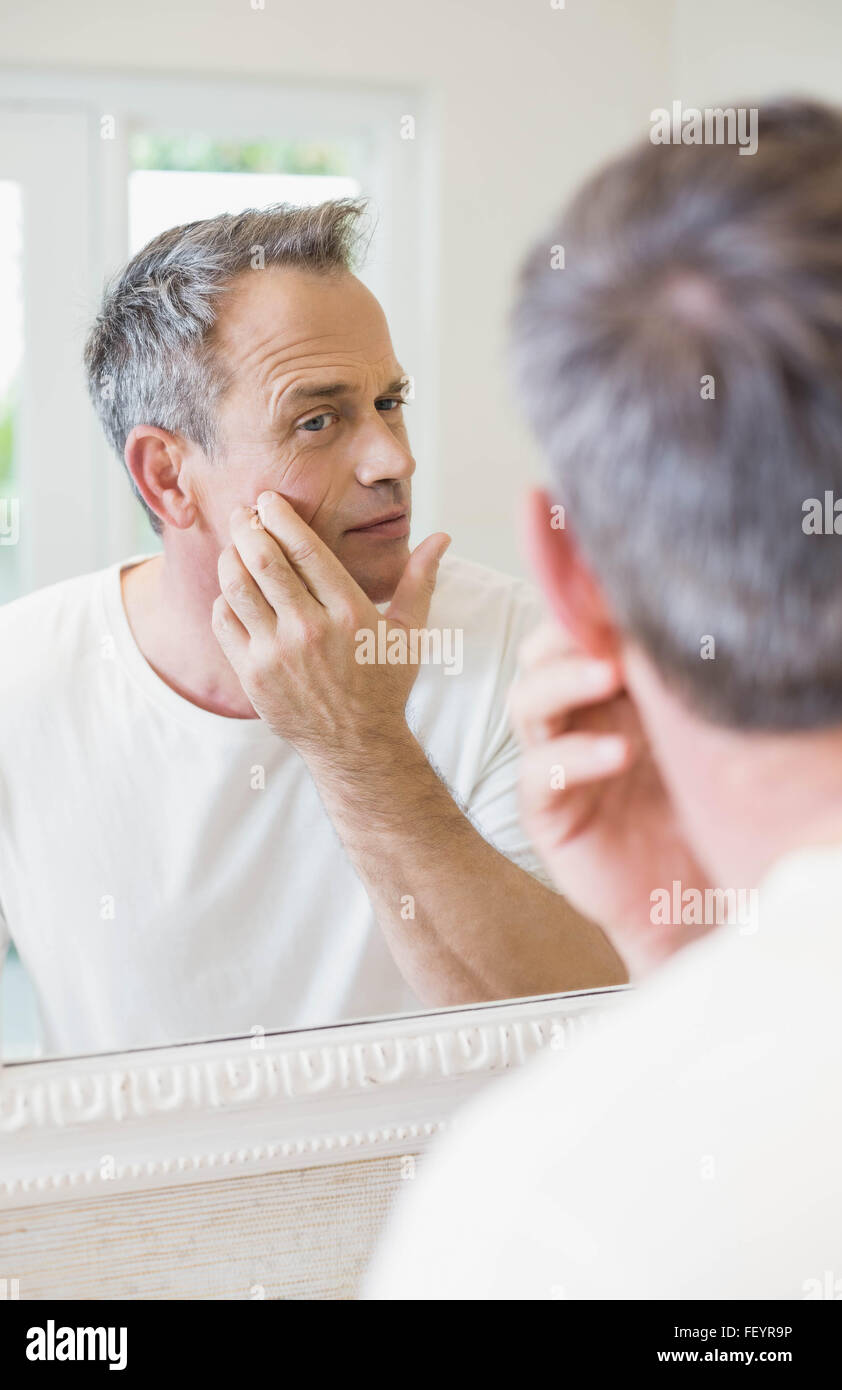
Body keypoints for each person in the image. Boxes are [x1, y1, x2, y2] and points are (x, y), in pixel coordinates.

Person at [364, 99, 842, 1300]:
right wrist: (701, 957)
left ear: (567, 570)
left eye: (388, 404)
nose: (384, 462)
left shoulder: (540, 1221)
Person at [0, 200, 624, 1056]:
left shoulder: (517, 645)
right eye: (318, 420)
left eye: (389, 402)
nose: (392, 459)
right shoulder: (9, 684)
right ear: (168, 476)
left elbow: (581, 1040)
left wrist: (357, 741)